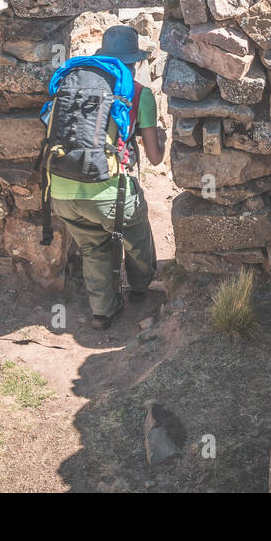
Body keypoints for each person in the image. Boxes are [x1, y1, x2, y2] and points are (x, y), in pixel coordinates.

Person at [46, 26, 166, 329]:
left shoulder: (74, 87)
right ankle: (140, 289)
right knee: (135, 233)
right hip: (110, 193)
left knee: (93, 246)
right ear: (135, 62)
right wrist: (160, 135)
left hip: (61, 191)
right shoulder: (140, 94)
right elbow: (154, 157)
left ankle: (103, 312)